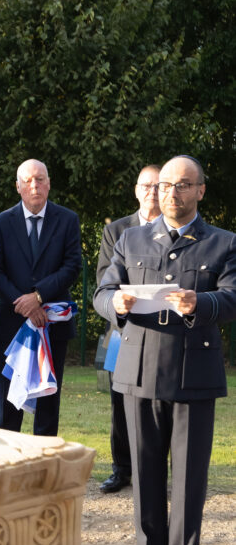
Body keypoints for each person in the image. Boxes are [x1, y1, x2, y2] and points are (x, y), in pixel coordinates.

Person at [94, 155, 236, 545]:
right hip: (138, 368)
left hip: (194, 370)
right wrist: (113, 305)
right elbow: (103, 290)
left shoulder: (224, 242)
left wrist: (204, 303)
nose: (172, 193)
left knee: (190, 475)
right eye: (166, 185)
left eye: (183, 185)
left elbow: (232, 296)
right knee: (146, 468)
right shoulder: (131, 238)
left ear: (200, 191)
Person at [0, 159, 82, 436]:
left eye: (40, 179)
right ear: (18, 187)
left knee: (48, 405)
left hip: (52, 325)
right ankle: (10, 468)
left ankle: (44, 472)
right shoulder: (1, 223)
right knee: (9, 405)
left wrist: (39, 297)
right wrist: (25, 304)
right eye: (27, 180)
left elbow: (72, 266)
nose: (34, 185)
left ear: (49, 183)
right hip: (10, 325)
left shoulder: (67, 220)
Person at [96, 165, 161, 493]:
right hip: (125, 330)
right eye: (145, 186)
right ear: (136, 190)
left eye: (157, 186)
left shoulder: (174, 231)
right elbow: (105, 283)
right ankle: (122, 469)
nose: (151, 191)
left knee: (159, 405)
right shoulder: (117, 230)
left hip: (165, 332)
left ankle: (154, 471)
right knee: (120, 403)